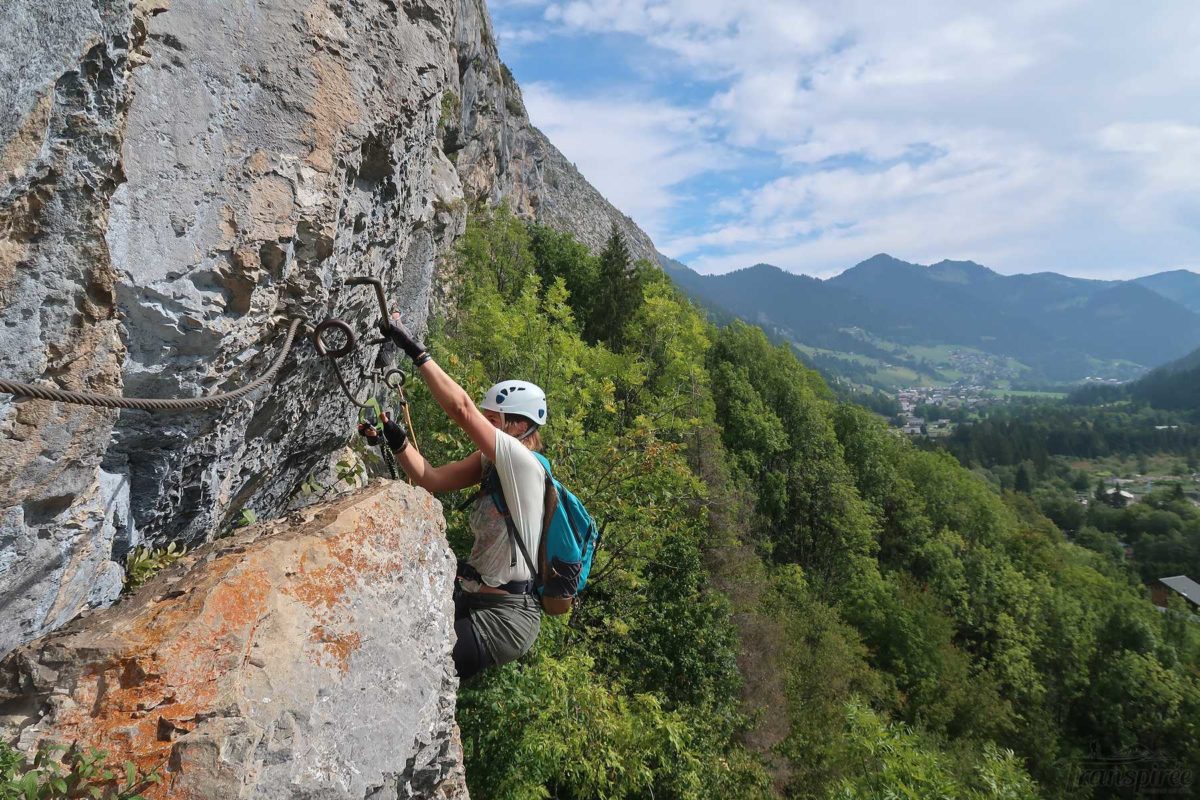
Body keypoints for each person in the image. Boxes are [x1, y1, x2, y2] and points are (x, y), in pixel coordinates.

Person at [360, 313, 547, 681]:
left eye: (493, 420)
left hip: (507, 618)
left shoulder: (523, 464)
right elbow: (430, 479)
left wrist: (415, 350)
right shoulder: (490, 463)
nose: (485, 427)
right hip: (476, 596)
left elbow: (462, 410)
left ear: (519, 426)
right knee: (395, 637)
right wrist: (395, 439)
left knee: (415, 668)